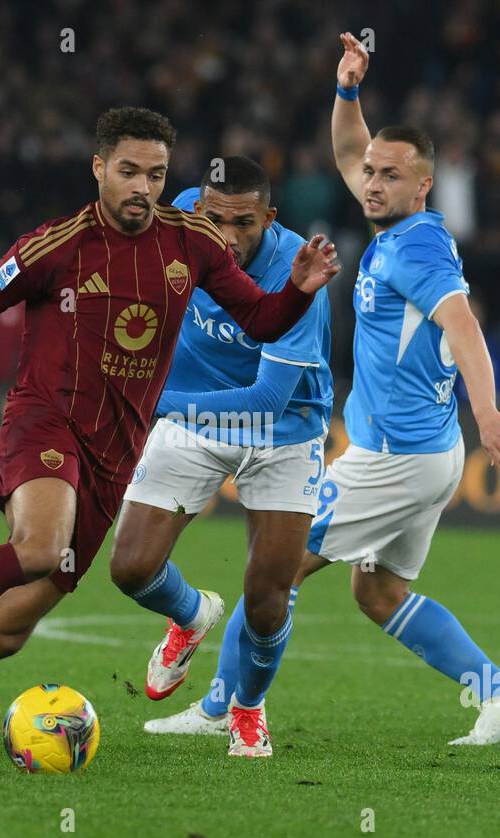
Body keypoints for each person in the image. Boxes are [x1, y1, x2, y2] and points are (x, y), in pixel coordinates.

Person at [0, 107, 340, 758]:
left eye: (157, 174)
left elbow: (259, 317)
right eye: (129, 171)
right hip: (46, 421)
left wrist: (302, 292)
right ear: (99, 168)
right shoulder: (56, 246)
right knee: (38, 549)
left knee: (6, 628)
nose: (142, 187)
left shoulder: (190, 243)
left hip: (116, 453)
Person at [146, 34, 500, 749]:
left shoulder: (417, 246)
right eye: (372, 172)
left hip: (395, 455)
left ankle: (216, 710)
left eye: (391, 175)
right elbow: (349, 149)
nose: (373, 181)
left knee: (276, 570)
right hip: (423, 451)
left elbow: (463, 324)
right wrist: (349, 90)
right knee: (377, 590)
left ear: (423, 187)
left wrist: (488, 410)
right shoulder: (395, 227)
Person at [107, 157, 333, 757]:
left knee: (267, 598)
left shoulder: (298, 274)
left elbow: (264, 400)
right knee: (130, 568)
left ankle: (247, 708)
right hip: (194, 414)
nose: (227, 237)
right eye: (216, 220)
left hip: (283, 428)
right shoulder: (179, 214)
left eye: (245, 224)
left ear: (270, 218)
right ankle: (190, 614)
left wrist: (154, 399)